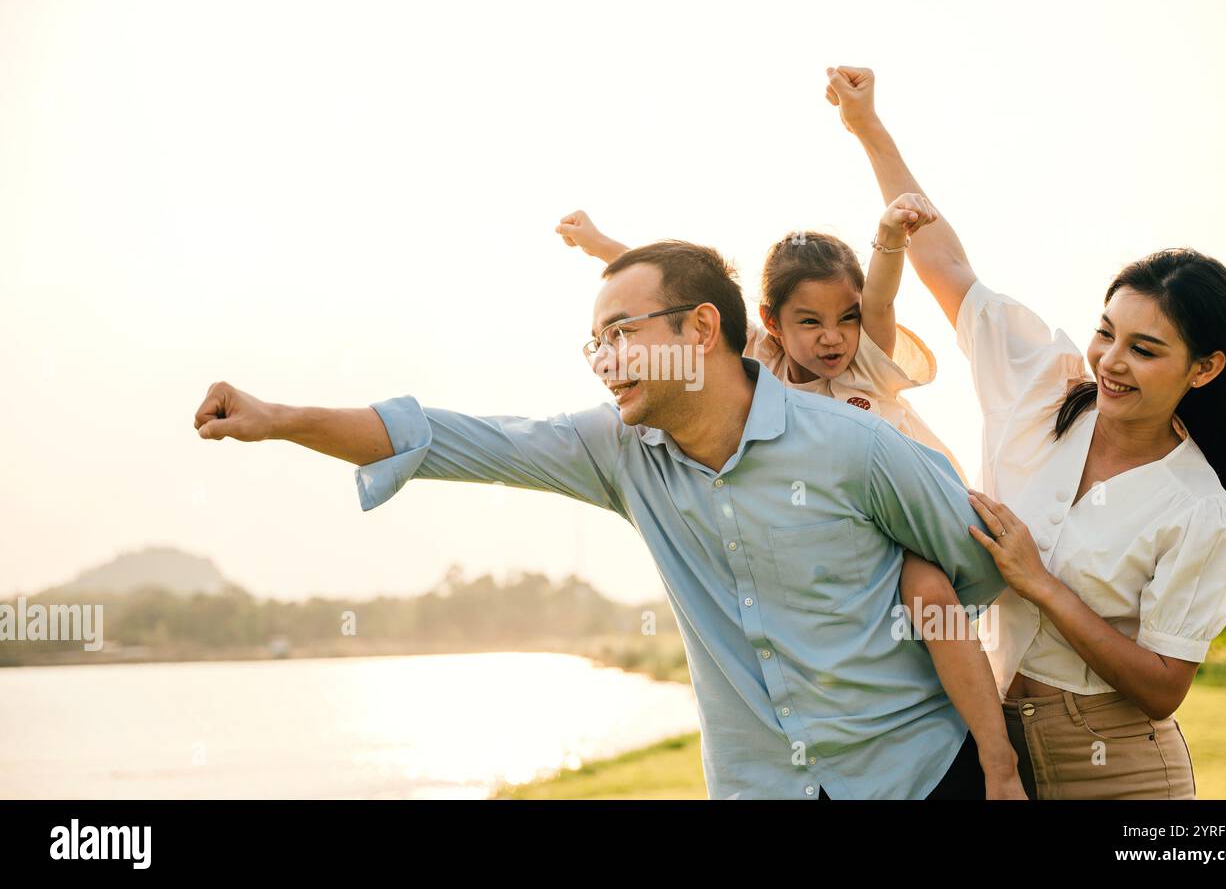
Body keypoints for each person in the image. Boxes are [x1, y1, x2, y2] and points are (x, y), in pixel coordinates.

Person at [193, 235, 1007, 799]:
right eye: (595, 342)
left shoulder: (858, 446)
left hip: (921, 777)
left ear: (700, 329)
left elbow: (975, 567)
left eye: (622, 331)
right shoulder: (616, 450)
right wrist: (280, 419)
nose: (605, 358)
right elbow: (442, 436)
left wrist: (913, 577)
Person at [826, 63, 1226, 798]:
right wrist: (870, 131)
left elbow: (1162, 687)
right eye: (1106, 333)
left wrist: (1039, 582)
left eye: (1145, 350)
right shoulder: (1041, 383)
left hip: (1120, 767)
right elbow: (947, 262)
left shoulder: (1200, 510)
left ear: (1206, 369)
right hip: (994, 743)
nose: (1110, 363)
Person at [555, 197, 1026, 800]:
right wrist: (602, 247)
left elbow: (879, 299)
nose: (832, 338)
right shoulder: (760, 361)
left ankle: (998, 760)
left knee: (931, 598)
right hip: (829, 539)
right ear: (771, 324)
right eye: (809, 322)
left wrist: (888, 237)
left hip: (906, 522)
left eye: (844, 318)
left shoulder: (869, 364)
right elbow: (676, 301)